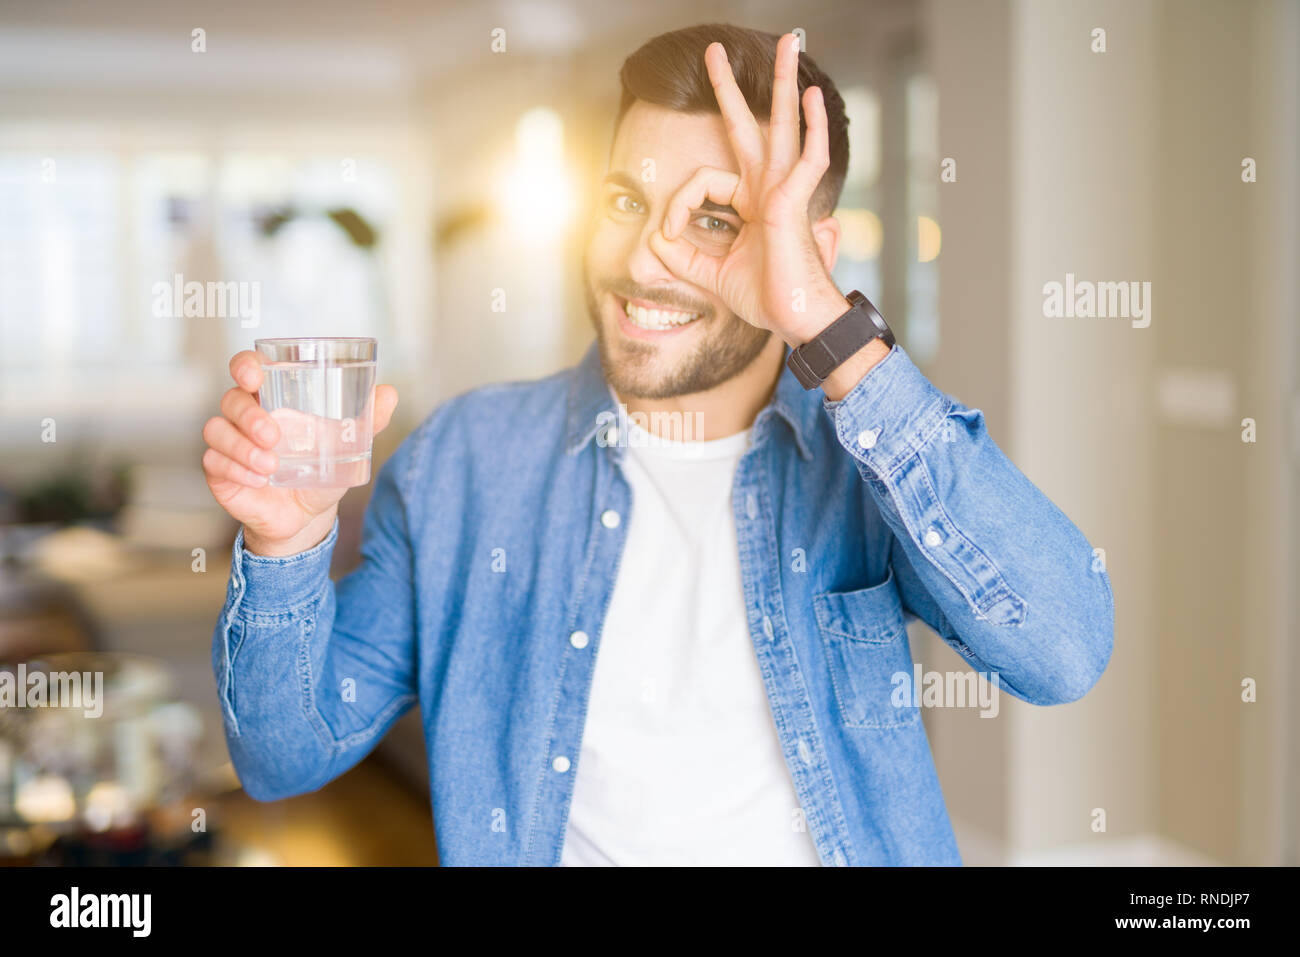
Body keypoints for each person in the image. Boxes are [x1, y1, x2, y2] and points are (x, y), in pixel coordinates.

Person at [202, 24, 1113, 866]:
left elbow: (1064, 647)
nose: (644, 259)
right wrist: (286, 545)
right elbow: (283, 756)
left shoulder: (863, 462)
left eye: (714, 219)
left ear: (811, 249)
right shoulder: (465, 460)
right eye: (626, 200)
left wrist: (828, 330)